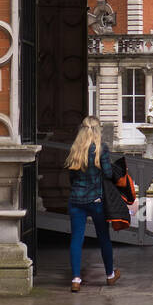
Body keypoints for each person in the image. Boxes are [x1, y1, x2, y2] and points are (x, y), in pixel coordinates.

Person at [64, 115, 121, 292]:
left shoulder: (75, 149)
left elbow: (71, 177)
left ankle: (75, 279)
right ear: (97, 130)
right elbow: (108, 174)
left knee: (76, 239)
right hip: (96, 200)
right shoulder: (101, 149)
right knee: (103, 238)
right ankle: (110, 275)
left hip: (76, 200)